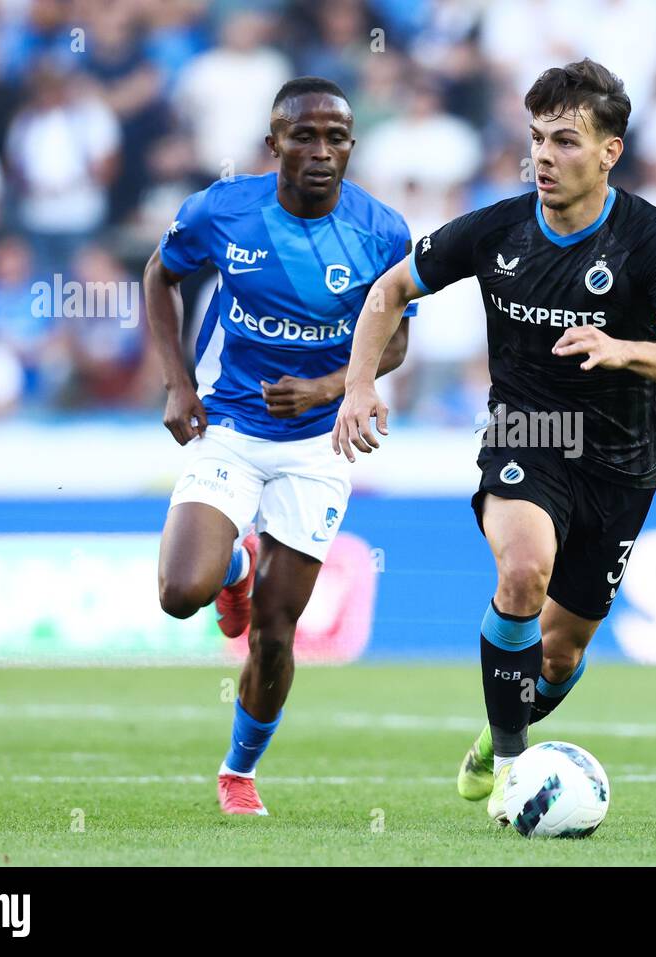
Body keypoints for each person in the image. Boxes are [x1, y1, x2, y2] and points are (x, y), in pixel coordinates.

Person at [333, 59, 656, 825]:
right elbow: (390, 289)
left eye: (566, 141)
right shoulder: (498, 228)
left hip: (622, 461)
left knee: (561, 651)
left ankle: (492, 736)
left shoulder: (648, 239)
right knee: (522, 572)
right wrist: (358, 383)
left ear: (609, 151)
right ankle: (514, 769)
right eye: (537, 138)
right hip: (527, 432)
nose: (543, 155)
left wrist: (623, 349)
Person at [144, 77, 412, 815]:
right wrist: (175, 382)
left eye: (336, 138)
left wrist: (330, 388)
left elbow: (394, 342)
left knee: (273, 631)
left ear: (352, 146)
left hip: (319, 447)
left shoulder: (383, 231)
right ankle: (234, 563)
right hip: (229, 424)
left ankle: (238, 771)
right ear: (275, 144)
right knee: (180, 594)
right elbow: (159, 275)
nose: (321, 151)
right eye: (305, 136)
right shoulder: (222, 210)